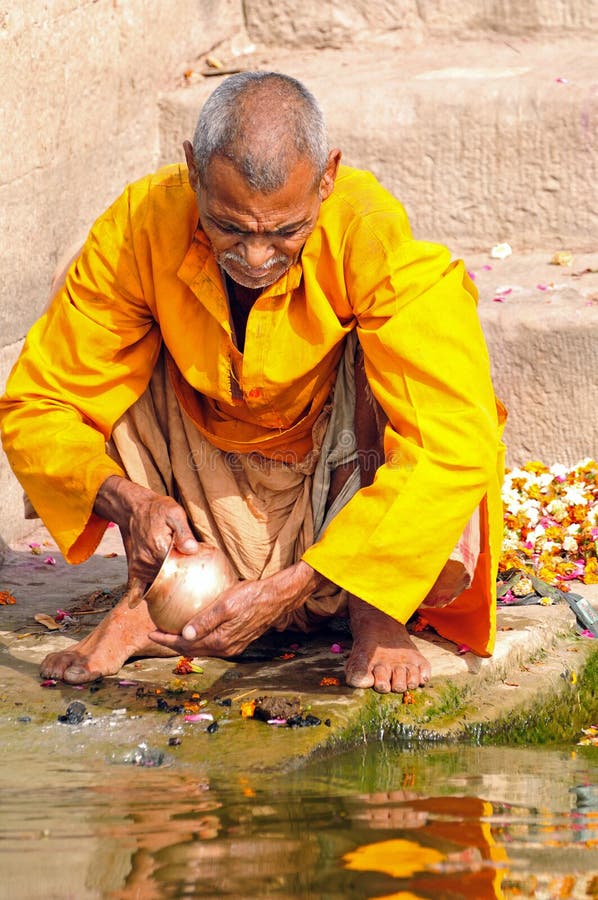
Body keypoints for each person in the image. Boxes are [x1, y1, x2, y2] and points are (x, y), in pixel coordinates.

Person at [0, 72, 506, 693]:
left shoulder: (367, 232)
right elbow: (43, 404)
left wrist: (302, 581)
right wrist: (129, 504)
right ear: (192, 170)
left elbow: (455, 442)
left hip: (334, 484)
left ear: (327, 177)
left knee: (425, 361)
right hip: (197, 482)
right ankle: (149, 597)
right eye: (231, 228)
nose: (256, 259)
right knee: (78, 298)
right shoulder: (143, 224)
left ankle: (376, 610)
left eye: (284, 231)